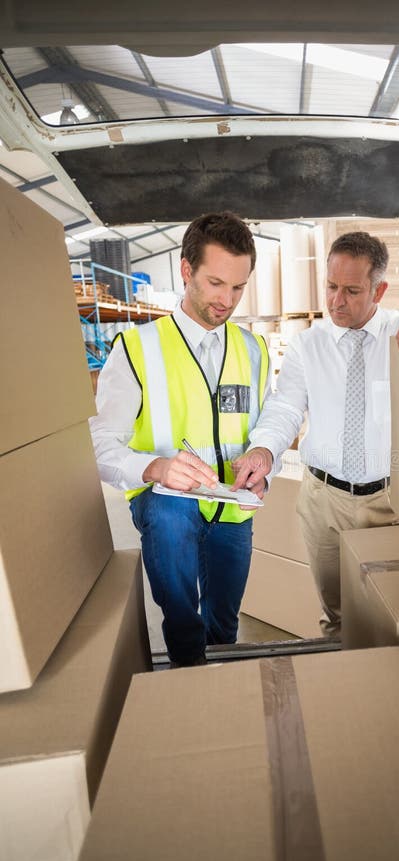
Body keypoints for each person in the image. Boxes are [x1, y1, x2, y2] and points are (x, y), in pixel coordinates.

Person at [232, 231, 399, 638]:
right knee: (336, 615)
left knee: (396, 609)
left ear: (380, 290)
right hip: (324, 503)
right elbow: (285, 408)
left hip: (394, 502)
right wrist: (264, 450)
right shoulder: (307, 346)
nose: (337, 301)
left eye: (352, 291)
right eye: (331, 287)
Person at [90, 212, 270, 666]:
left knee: (225, 624)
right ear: (186, 271)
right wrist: (156, 468)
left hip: (232, 508)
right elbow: (100, 445)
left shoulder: (254, 349)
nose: (227, 300)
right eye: (215, 283)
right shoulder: (136, 348)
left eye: (238, 287)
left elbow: (265, 430)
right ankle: (186, 664)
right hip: (166, 506)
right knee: (185, 622)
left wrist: (263, 468)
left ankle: (218, 670)